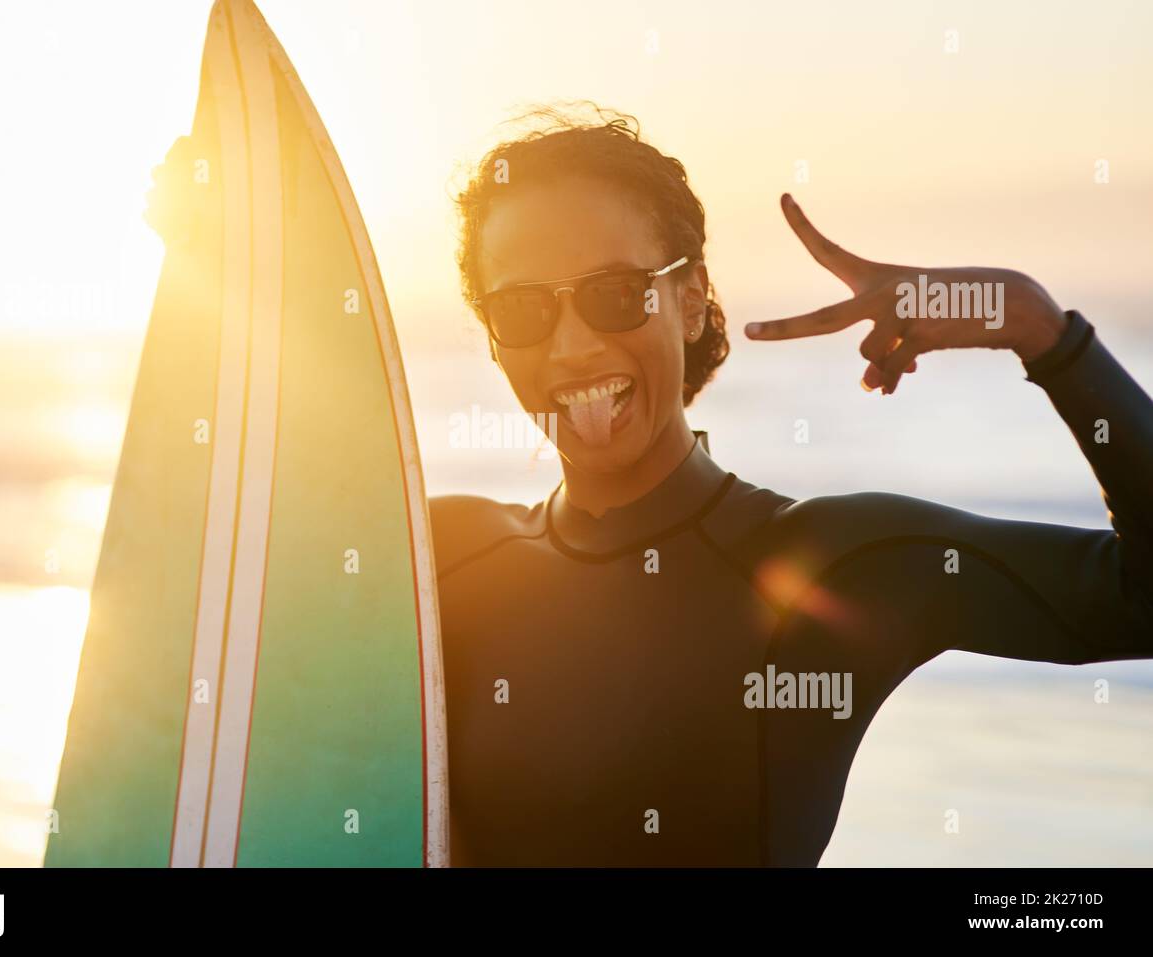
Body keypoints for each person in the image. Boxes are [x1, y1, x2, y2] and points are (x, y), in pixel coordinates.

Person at [433, 107, 1153, 865]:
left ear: (688, 299)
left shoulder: (834, 569)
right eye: (522, 308)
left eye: (615, 292)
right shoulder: (438, 564)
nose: (572, 345)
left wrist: (1035, 325)